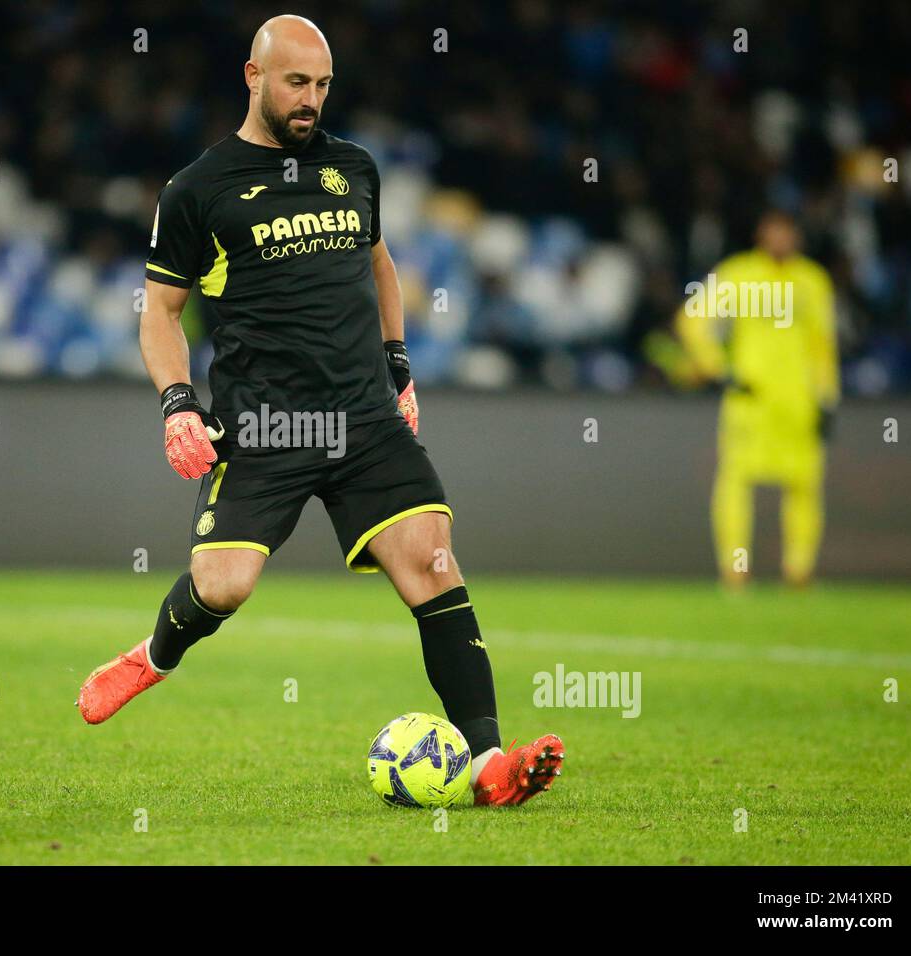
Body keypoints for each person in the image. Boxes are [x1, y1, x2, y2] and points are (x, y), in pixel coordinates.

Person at [78, 14, 563, 807]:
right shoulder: (197, 190)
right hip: (265, 428)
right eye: (297, 83)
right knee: (224, 585)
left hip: (363, 419)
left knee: (434, 561)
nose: (311, 100)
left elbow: (380, 263)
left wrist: (398, 367)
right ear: (254, 76)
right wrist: (177, 405)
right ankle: (153, 656)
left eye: (324, 85)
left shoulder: (354, 168)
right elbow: (159, 311)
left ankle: (488, 767)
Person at [675, 210, 840, 588]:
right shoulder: (737, 274)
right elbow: (692, 318)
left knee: (805, 482)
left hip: (800, 398)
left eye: (787, 232)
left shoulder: (813, 280)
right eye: (774, 231)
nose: (781, 239)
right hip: (750, 394)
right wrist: (717, 366)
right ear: (761, 234)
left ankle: (799, 570)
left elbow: (823, 344)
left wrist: (828, 396)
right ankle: (735, 568)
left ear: (796, 236)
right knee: (737, 478)